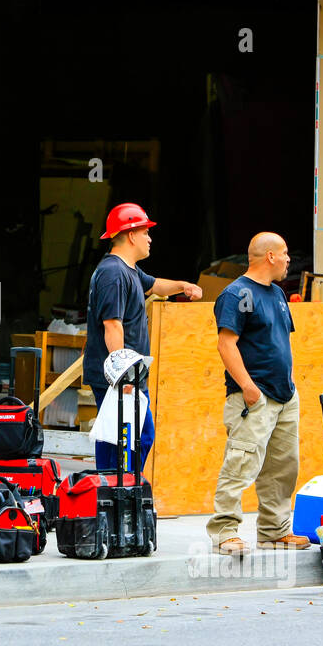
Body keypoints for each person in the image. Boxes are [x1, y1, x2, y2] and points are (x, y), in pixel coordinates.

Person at [208, 232, 309, 555]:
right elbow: (226, 343)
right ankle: (225, 532)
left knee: (283, 466)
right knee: (241, 463)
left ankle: (274, 531)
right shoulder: (236, 294)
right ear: (269, 256)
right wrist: (250, 389)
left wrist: (290, 384)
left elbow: (280, 342)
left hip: (284, 396)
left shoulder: (278, 293)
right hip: (254, 398)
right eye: (285, 253)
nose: (288, 259)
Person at [84, 202, 202, 471]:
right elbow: (112, 326)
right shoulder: (113, 273)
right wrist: (122, 376)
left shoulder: (130, 271)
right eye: (146, 232)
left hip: (127, 376)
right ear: (131, 234)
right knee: (126, 439)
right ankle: (112, 496)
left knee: (124, 439)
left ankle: (117, 496)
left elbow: (155, 285)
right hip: (119, 377)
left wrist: (183, 286)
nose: (150, 238)